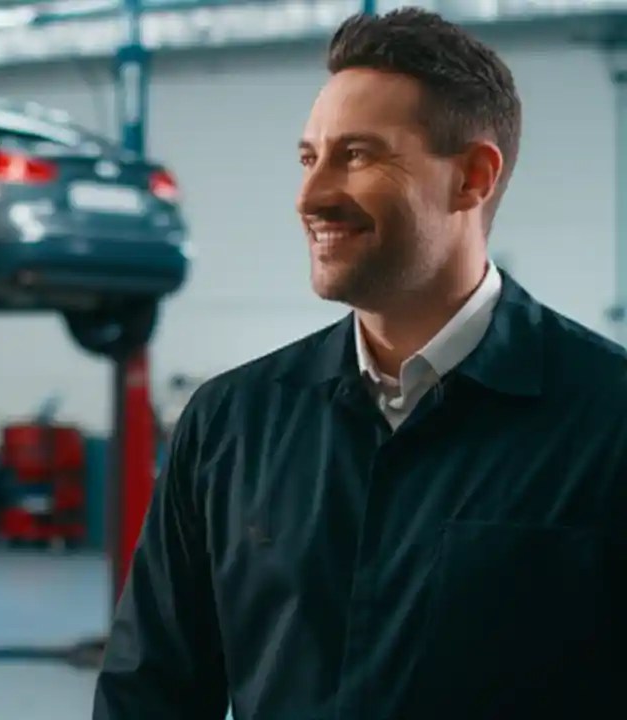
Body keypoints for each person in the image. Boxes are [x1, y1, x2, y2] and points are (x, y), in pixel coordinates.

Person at [94, 8, 627, 720]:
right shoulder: (230, 425)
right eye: (309, 157)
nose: (310, 197)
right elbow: (148, 696)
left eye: (358, 155)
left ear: (471, 178)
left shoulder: (609, 421)